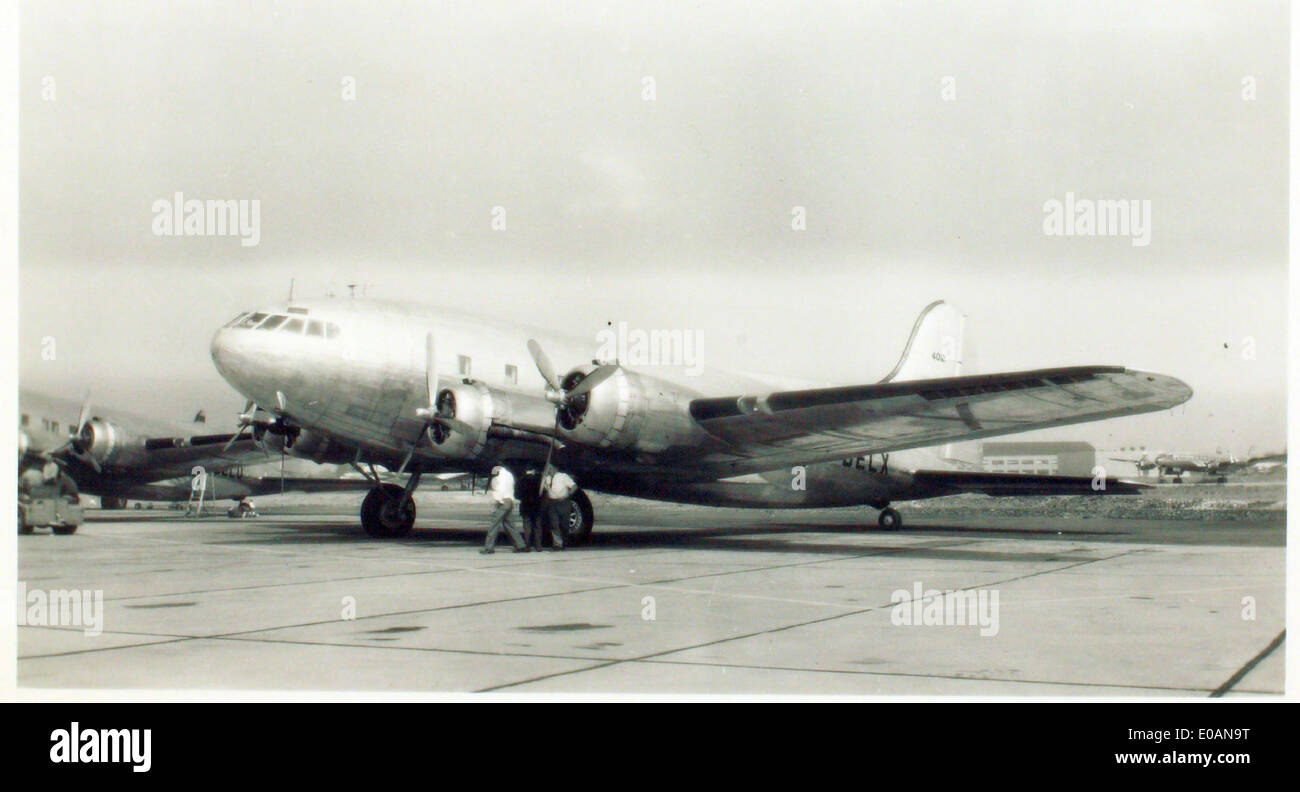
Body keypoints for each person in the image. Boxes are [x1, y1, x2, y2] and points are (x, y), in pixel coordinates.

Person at [482, 465, 528, 554]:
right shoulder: (509, 475)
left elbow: (500, 490)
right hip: (510, 500)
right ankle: (521, 545)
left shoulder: (499, 478)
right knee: (510, 525)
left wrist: (498, 501)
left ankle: (489, 548)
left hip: (502, 501)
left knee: (494, 525)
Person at [534, 465, 578, 551]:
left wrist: (568, 494)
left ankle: (564, 541)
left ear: (555, 468)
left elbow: (574, 486)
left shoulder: (563, 476)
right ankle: (557, 544)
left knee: (564, 524)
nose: (548, 471)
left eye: (550, 468)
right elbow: (545, 490)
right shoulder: (546, 479)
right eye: (547, 469)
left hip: (563, 501)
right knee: (554, 524)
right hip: (552, 503)